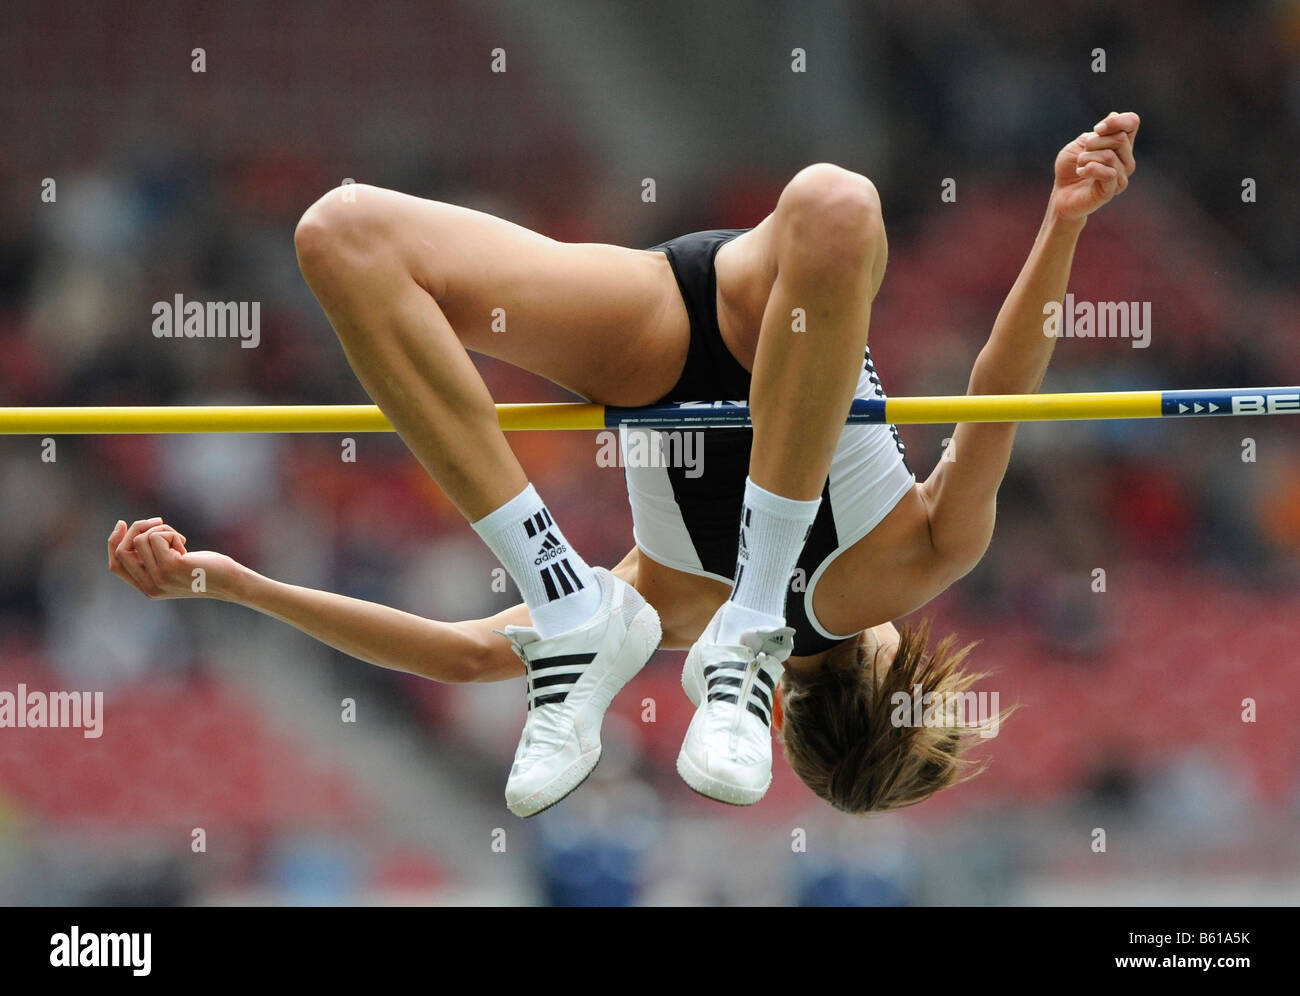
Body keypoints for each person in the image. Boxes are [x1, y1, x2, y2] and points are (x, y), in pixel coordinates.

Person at [108, 112, 1140, 817]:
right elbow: (458, 654)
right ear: (785, 715)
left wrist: (1061, 222)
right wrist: (229, 584)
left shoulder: (920, 563)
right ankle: (633, 592)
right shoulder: (684, 611)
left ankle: (561, 592)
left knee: (836, 202)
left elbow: (1008, 382)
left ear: (888, 671)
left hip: (686, 307)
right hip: (689, 330)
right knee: (337, 239)